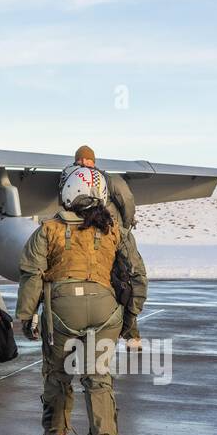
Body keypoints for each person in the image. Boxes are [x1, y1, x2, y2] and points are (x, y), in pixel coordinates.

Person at [16, 164, 131, 435]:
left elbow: (32, 275)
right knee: (98, 377)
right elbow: (136, 275)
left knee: (58, 374)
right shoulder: (114, 231)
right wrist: (130, 322)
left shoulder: (48, 230)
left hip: (63, 312)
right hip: (106, 311)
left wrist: (26, 316)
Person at [72, 144, 147, 347]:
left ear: (94, 162)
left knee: (124, 281)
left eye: (87, 160)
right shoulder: (73, 180)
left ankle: (132, 334)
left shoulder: (109, 179)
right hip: (90, 240)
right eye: (80, 160)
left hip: (112, 237)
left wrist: (123, 227)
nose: (83, 164)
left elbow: (127, 200)